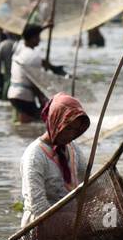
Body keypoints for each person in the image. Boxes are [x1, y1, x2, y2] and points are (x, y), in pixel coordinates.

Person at [18, 93, 90, 226]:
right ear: (55, 121)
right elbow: (38, 206)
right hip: (40, 228)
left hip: (70, 227)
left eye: (75, 130)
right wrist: (68, 224)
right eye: (67, 128)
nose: (71, 135)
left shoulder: (73, 149)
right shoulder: (35, 155)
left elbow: (87, 184)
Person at [7, 24, 66, 122]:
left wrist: (45, 27)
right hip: (24, 95)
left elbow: (27, 33)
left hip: (12, 93)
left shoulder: (19, 47)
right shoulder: (34, 57)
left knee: (24, 121)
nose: (39, 39)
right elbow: (35, 82)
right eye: (38, 37)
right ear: (33, 38)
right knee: (37, 121)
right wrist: (42, 100)